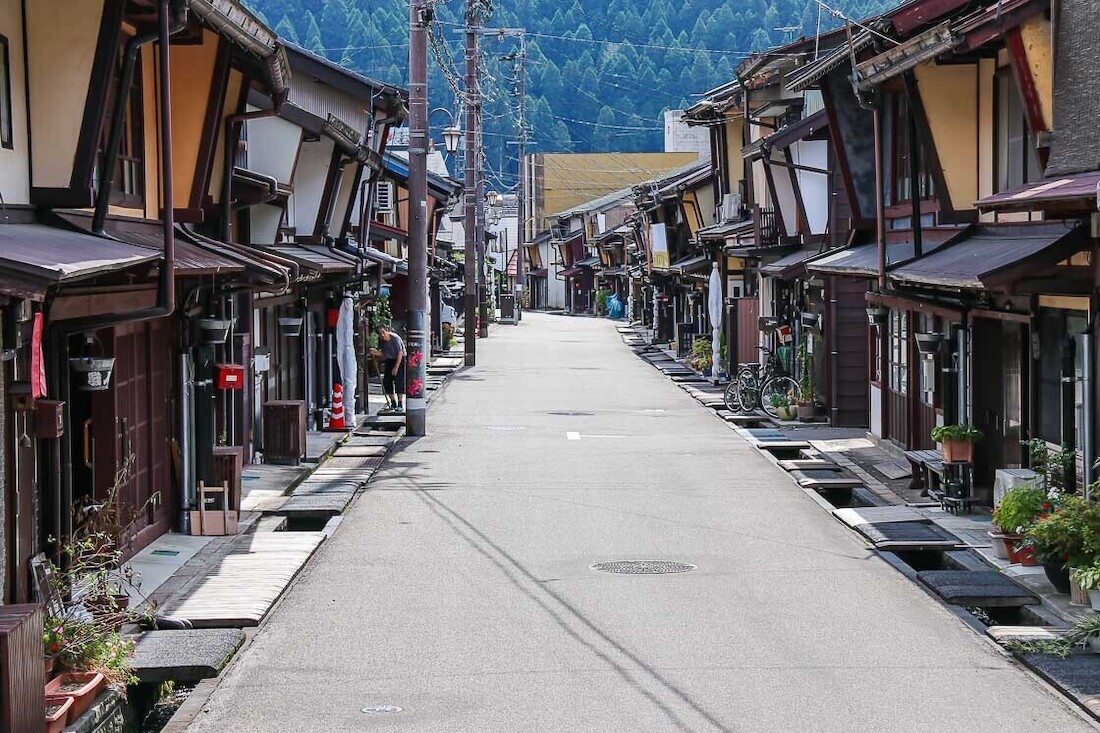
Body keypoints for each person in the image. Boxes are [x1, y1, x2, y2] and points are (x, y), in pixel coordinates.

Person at [371, 323, 406, 413]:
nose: (382, 335)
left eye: (383, 332)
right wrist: (376, 354)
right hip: (390, 360)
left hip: (400, 359)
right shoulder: (381, 341)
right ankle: (393, 403)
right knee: (387, 381)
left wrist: (396, 367)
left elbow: (400, 353)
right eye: (380, 334)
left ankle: (400, 403)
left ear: (386, 330)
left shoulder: (395, 338)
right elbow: (384, 354)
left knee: (399, 381)